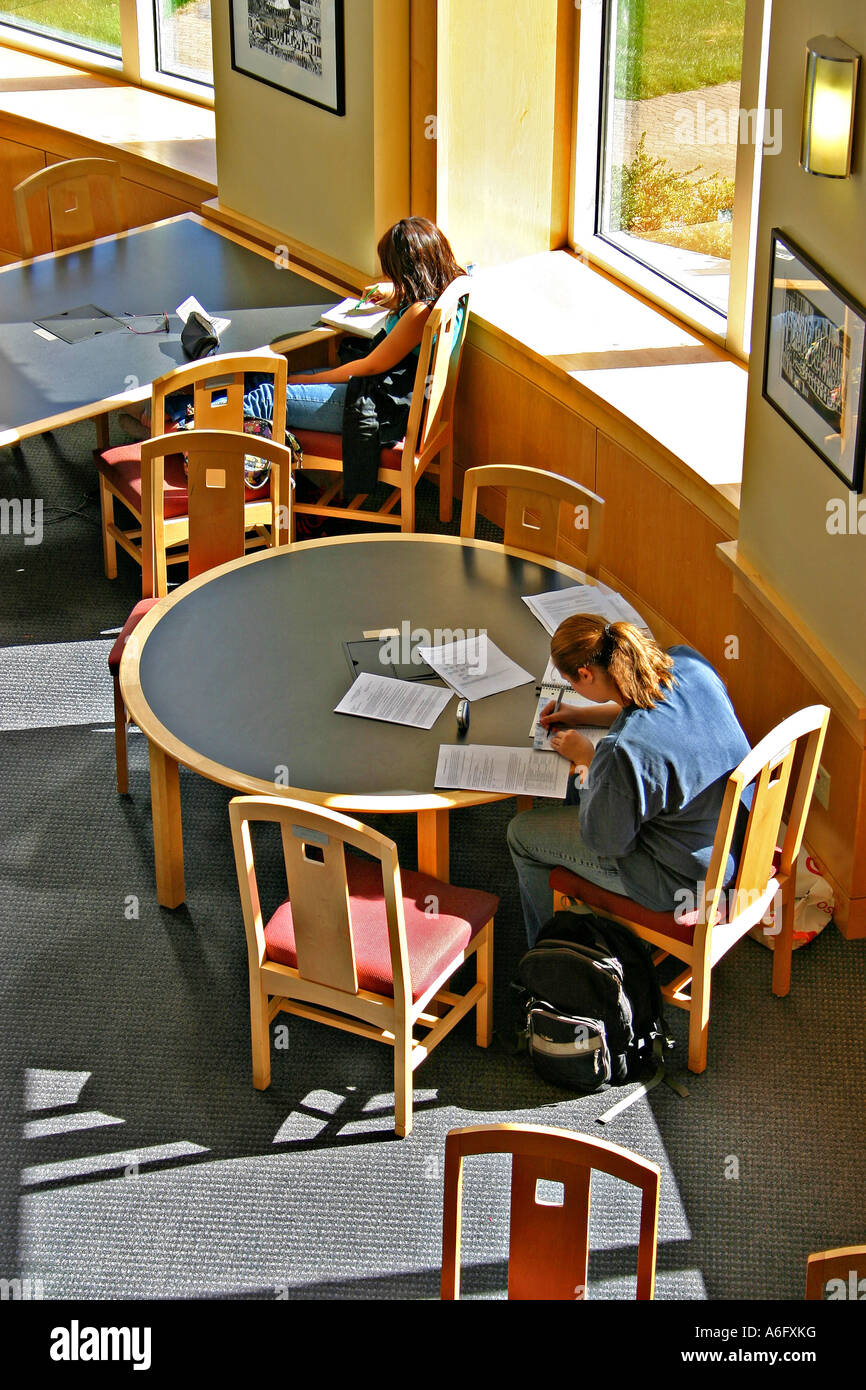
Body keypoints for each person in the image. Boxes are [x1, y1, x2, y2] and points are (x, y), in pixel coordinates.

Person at [507, 616, 751, 947]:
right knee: (578, 790)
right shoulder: (688, 663)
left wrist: (588, 760)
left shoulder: (624, 750)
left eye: (571, 682)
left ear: (585, 674)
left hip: (681, 879)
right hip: (736, 840)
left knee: (521, 833)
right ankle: (585, 921)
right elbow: (645, 703)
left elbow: (606, 843)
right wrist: (580, 714)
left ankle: (547, 954)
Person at [242, 217, 466, 494]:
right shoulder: (452, 287)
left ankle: (207, 453)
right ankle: (201, 422)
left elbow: (369, 366)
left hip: (385, 408)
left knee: (268, 396)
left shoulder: (418, 313)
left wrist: (298, 379)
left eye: (394, 273)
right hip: (398, 394)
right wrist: (393, 290)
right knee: (263, 380)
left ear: (409, 272)